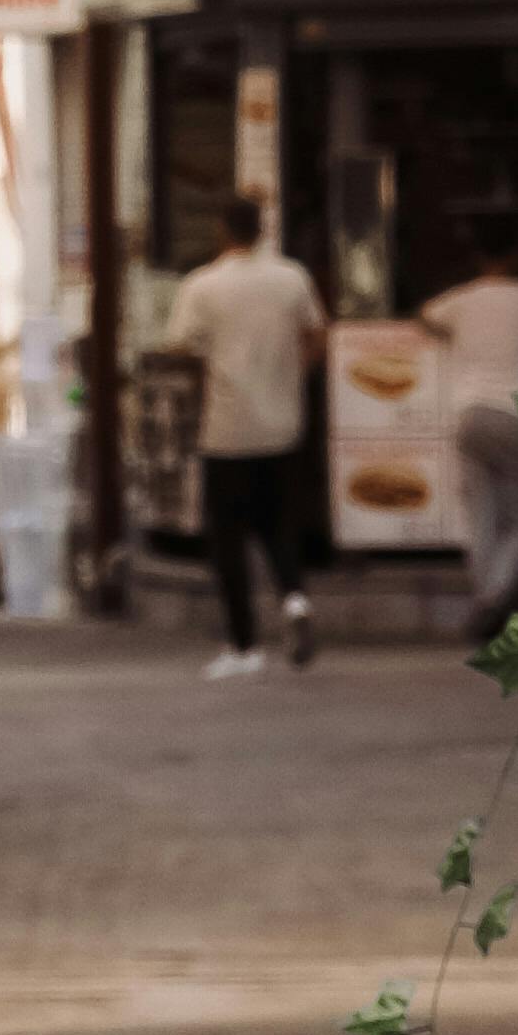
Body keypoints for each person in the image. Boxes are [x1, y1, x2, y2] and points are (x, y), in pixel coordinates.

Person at [168, 189, 325, 674]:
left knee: (228, 539)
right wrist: (293, 374)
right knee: (278, 525)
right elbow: (318, 333)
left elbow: (178, 345)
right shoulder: (291, 277)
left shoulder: (204, 285)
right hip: (283, 424)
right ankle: (295, 599)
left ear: (222, 229)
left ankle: (243, 646)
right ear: (262, 228)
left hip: (228, 429)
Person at [426, 221, 518, 645]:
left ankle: (487, 599)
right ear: (517, 256)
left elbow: (425, 317)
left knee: (482, 518)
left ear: (479, 258)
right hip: (516, 416)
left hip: (468, 416)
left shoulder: (462, 300)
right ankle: (494, 601)